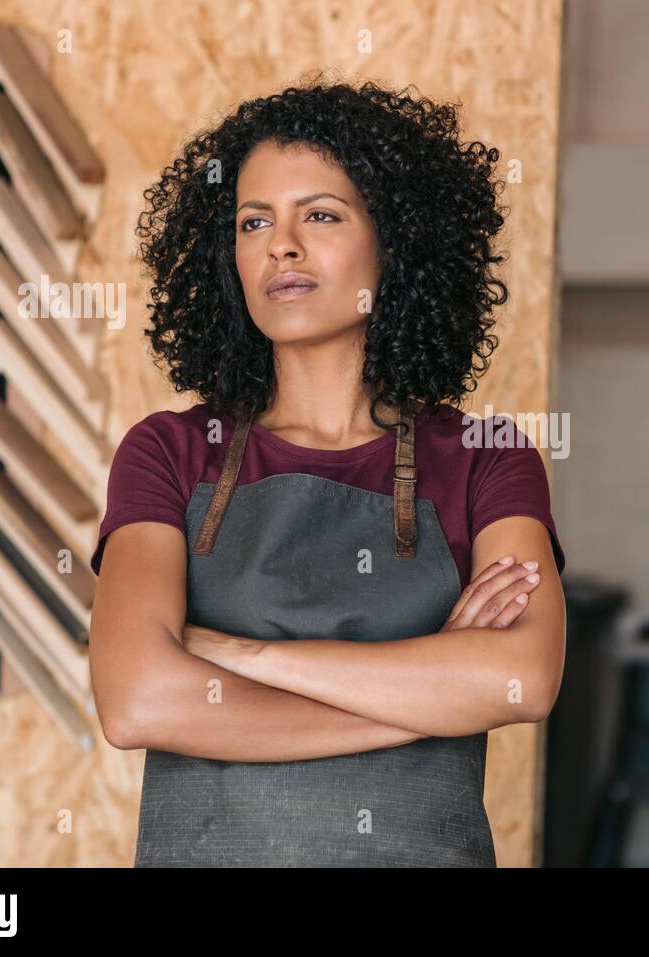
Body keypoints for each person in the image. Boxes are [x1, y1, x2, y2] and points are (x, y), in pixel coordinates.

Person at [86, 73, 567, 867]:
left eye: (320, 214)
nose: (282, 244)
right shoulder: (169, 453)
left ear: (395, 240)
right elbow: (138, 701)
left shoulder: (489, 460)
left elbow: (521, 682)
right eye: (253, 221)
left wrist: (238, 654)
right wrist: (432, 691)